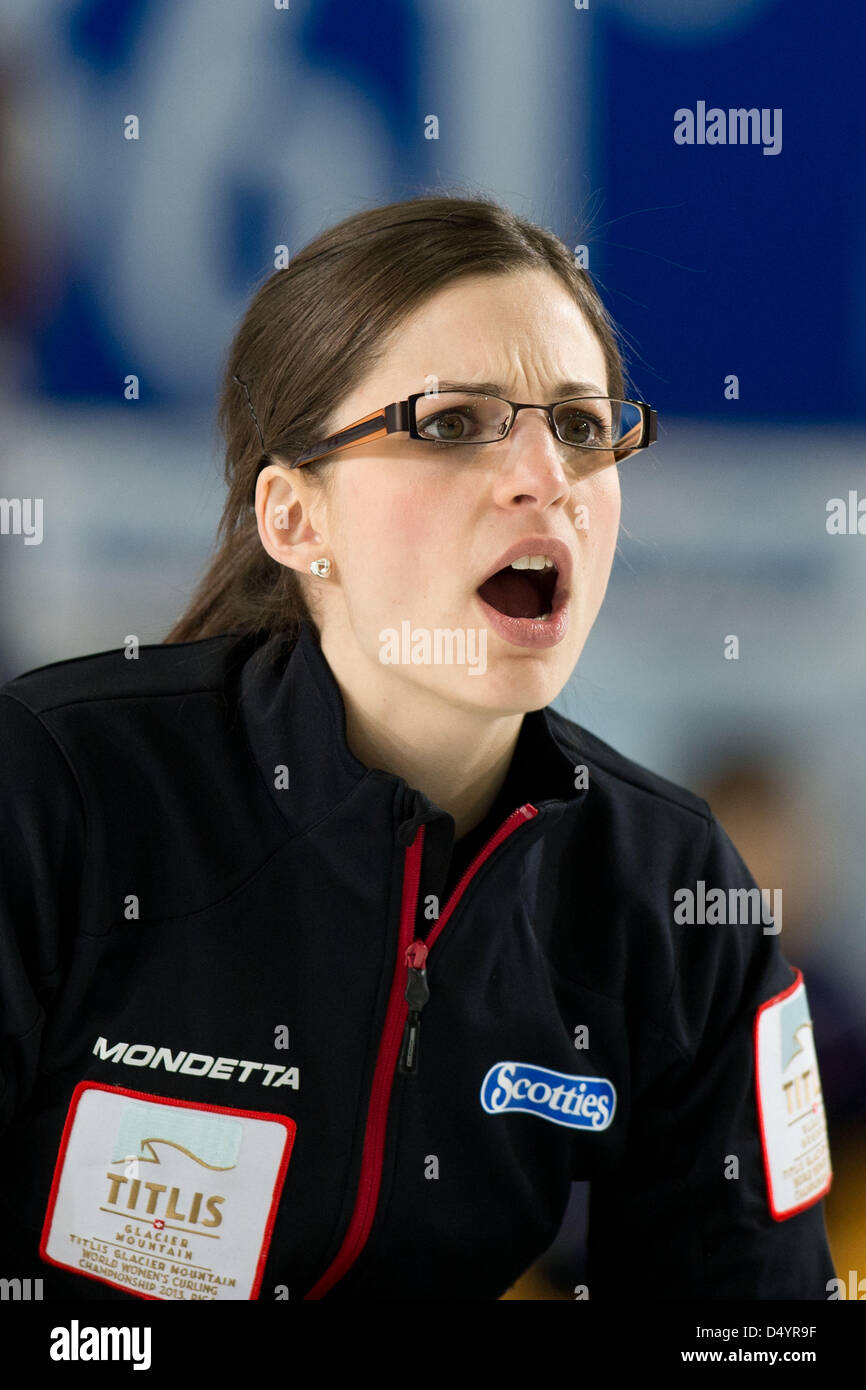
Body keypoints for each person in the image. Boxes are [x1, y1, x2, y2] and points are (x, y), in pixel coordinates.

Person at [0, 194, 835, 1301]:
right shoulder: (55, 786)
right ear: (296, 520)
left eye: (581, 426)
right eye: (451, 424)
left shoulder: (671, 891)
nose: (546, 476)